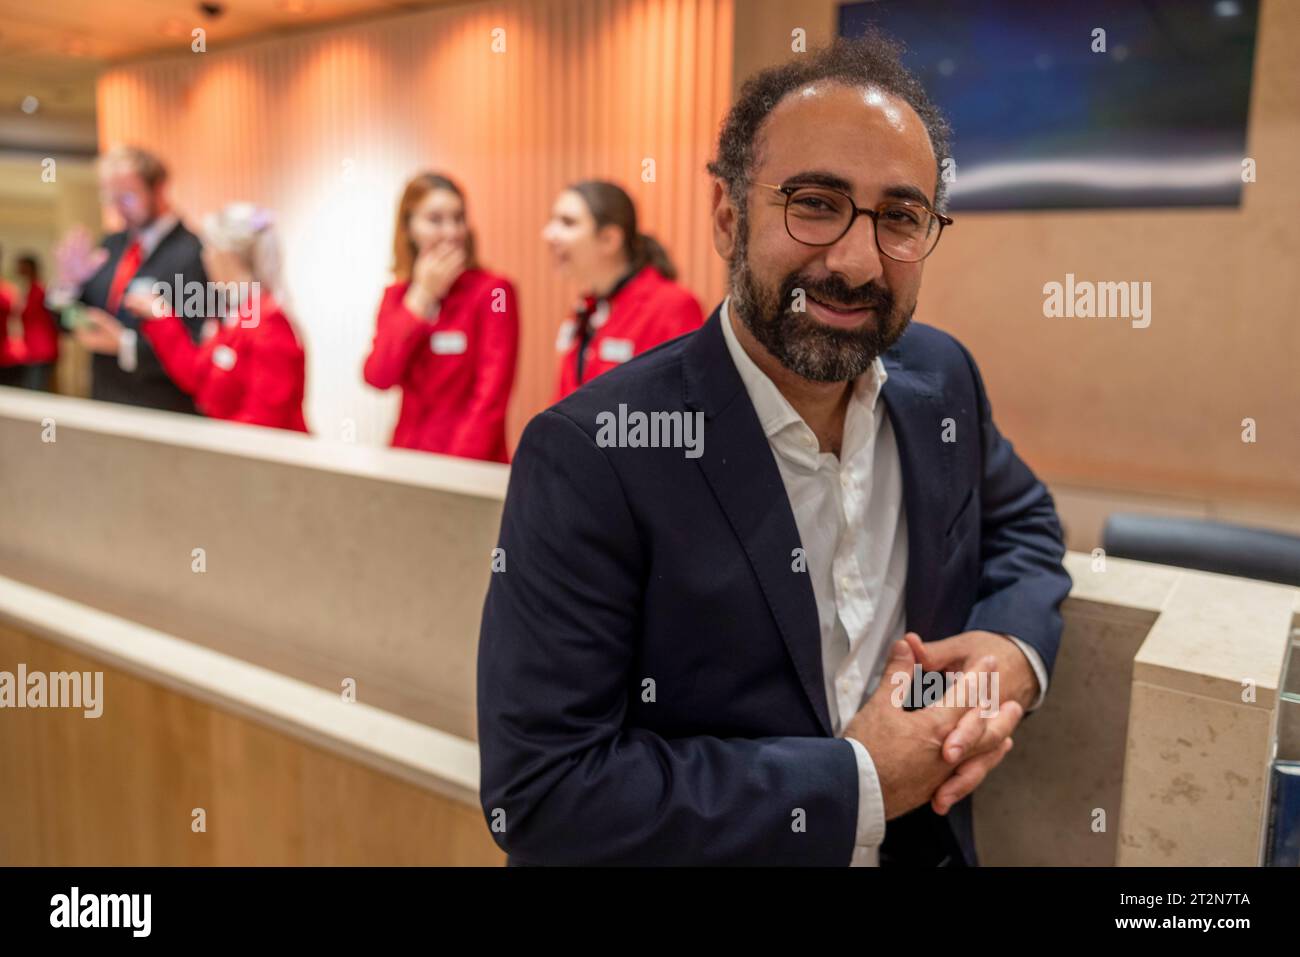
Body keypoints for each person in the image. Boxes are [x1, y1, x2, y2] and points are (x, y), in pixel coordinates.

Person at [477, 35, 1072, 866]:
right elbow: (542, 792)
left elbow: (1025, 524)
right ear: (728, 216)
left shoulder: (942, 379)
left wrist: (1013, 650)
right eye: (816, 202)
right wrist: (859, 781)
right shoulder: (592, 453)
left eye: (900, 217)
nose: (857, 261)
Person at [108, 203, 308, 433]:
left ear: (226, 255)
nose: (205, 258)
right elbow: (197, 375)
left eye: (208, 249)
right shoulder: (233, 315)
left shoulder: (269, 325)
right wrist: (161, 317)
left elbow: (265, 423)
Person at [363, 173, 518, 463]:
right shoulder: (399, 295)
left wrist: (455, 471)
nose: (451, 232)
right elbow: (378, 376)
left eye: (458, 219)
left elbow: (491, 398)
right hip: (409, 457)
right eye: (435, 220)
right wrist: (421, 298)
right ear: (409, 227)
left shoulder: (495, 293)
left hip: (468, 463)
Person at [53, 145, 208, 413]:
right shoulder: (111, 247)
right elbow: (70, 325)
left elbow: (199, 346)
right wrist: (67, 289)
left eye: (127, 198)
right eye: (110, 199)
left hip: (161, 409)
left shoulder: (194, 253)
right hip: (105, 401)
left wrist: (125, 345)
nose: (118, 210)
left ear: (158, 189)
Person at [543, 180, 703, 401]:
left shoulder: (672, 306)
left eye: (568, 223)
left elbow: (684, 408)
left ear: (609, 239)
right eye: (552, 221)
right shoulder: (585, 309)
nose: (548, 234)